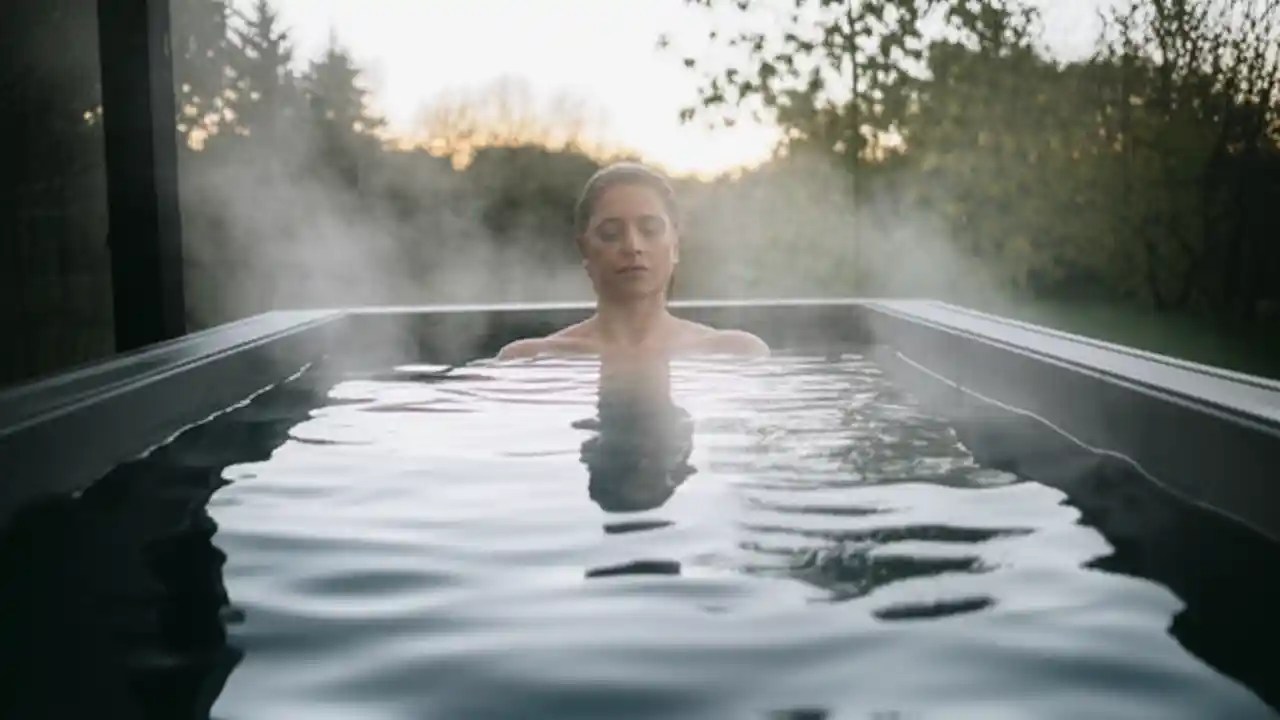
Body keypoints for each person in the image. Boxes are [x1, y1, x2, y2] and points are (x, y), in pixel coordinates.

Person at [496, 162, 769, 360]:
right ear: (585, 251)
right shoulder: (529, 361)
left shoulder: (736, 354)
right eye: (611, 234)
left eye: (649, 230)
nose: (632, 246)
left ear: (675, 244)